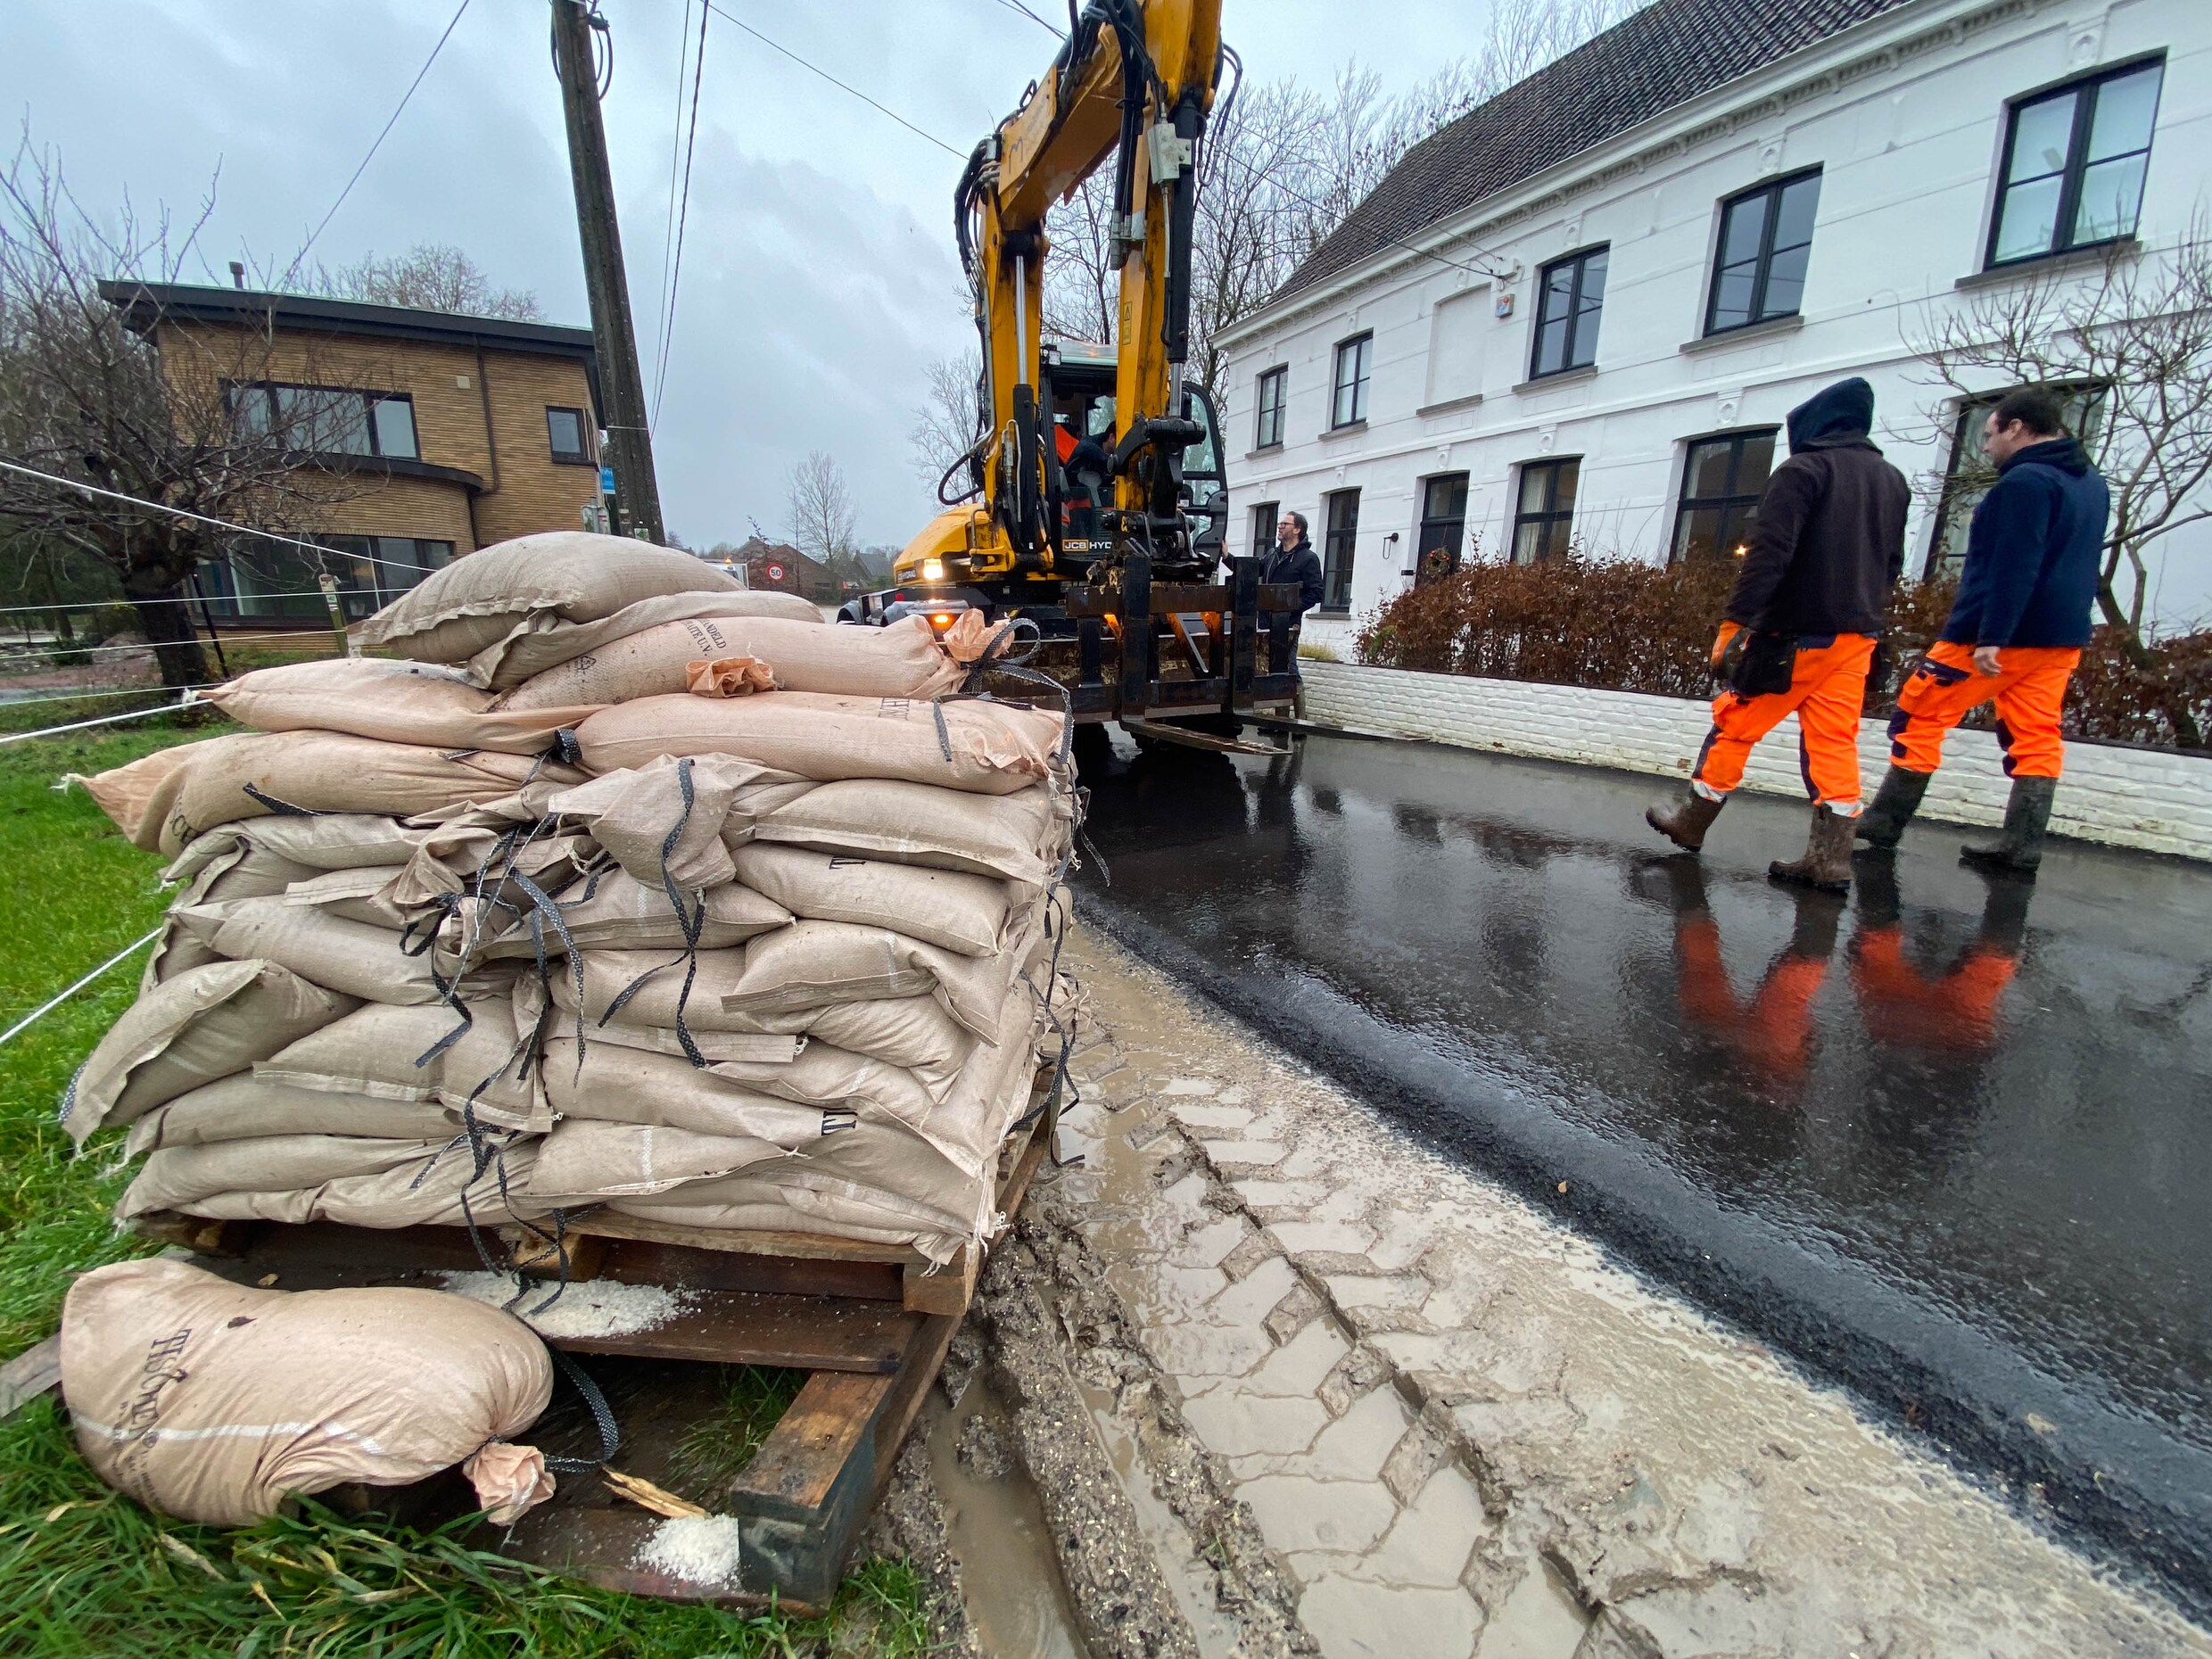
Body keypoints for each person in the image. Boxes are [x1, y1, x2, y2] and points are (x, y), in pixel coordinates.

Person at [1647, 376, 1911, 891]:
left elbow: (1770, 556)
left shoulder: (1803, 471)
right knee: (1834, 745)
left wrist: (1735, 624)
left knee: (1735, 723)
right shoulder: (1892, 480)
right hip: (1856, 638)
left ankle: (1691, 822)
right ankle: (1830, 860)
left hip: (1794, 636)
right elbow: (1892, 563)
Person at [1854, 387, 2109, 876]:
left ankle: (1883, 824)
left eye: (1989, 435)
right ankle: (2021, 846)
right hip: (2060, 637)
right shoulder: (2090, 484)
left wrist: (1994, 634)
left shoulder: (2026, 483)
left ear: (2016, 427)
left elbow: (2015, 561)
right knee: (2035, 735)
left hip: (1993, 636)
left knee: (1919, 715)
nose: (1986, 447)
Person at [1260, 510, 1325, 615]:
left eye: (1285, 524)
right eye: (1280, 524)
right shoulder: (1272, 555)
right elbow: (1248, 570)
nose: (1280, 527)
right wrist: (1226, 556)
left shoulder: (1308, 558)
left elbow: (1316, 593)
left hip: (1288, 625)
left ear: (1297, 530)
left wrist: (1289, 608)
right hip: (1264, 623)